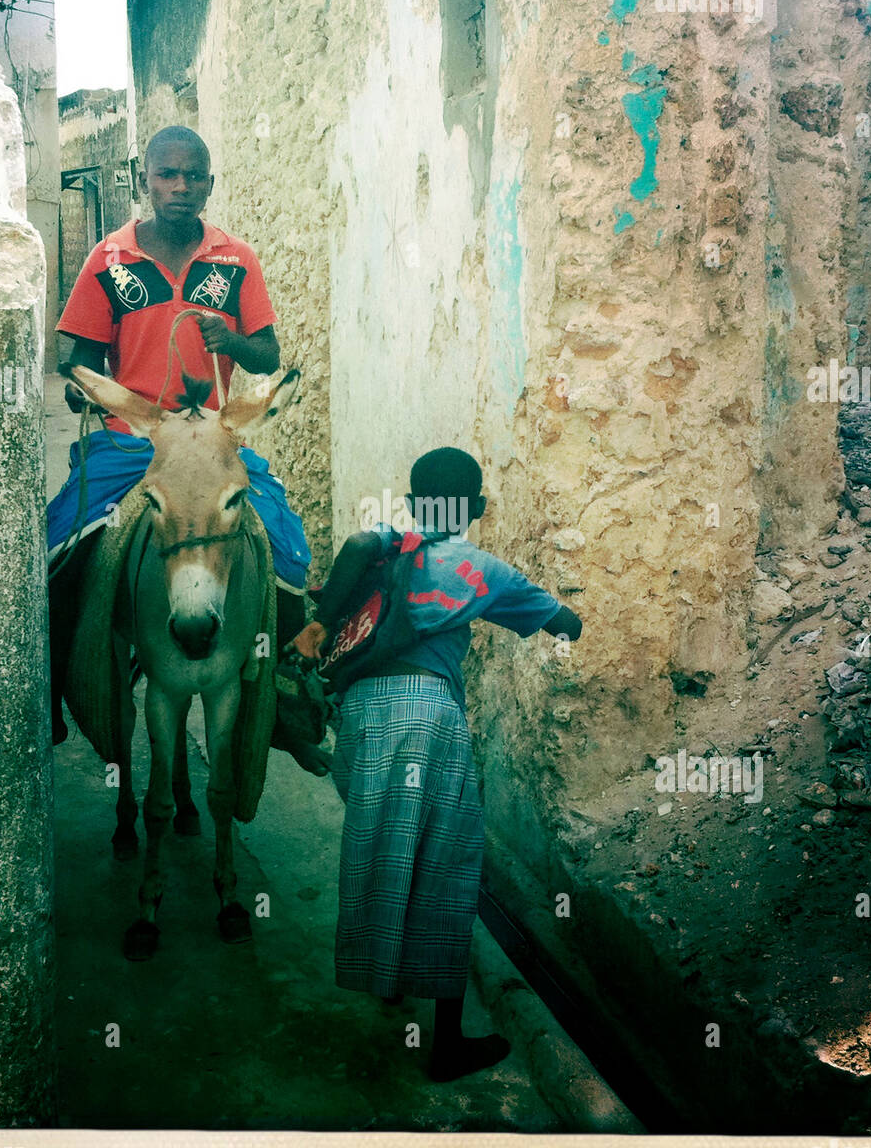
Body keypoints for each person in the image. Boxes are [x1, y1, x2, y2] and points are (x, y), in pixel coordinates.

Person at [293, 447, 583, 1082]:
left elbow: (345, 586)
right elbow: (567, 625)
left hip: (362, 719)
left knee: (385, 847)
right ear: (475, 507)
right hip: (429, 718)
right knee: (448, 863)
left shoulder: (380, 550)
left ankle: (389, 975)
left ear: (412, 499)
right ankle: (446, 1046)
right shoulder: (482, 569)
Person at [47, 125, 322, 769]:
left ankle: (280, 697)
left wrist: (232, 344)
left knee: (285, 544)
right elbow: (78, 357)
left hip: (212, 435)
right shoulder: (109, 260)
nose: (180, 186)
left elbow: (269, 353)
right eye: (168, 175)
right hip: (134, 435)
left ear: (209, 183)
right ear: (146, 181)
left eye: (193, 176)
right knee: (58, 543)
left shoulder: (235, 260)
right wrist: (85, 391)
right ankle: (52, 689)